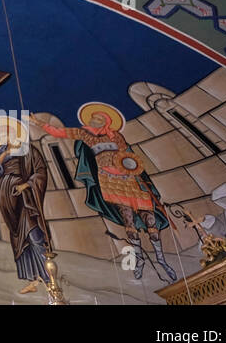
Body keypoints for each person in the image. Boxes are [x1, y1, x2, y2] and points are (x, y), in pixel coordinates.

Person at [31, 107, 176, 282]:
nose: (93, 121)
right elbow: (60, 132)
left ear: (106, 121)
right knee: (127, 220)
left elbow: (127, 154)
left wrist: (134, 167)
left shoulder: (115, 136)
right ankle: (139, 259)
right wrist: (39, 123)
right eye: (92, 118)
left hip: (130, 179)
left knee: (150, 219)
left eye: (97, 119)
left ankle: (162, 259)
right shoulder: (86, 135)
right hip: (110, 181)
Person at [0, 122, 53, 294]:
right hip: (6, 194)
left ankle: (49, 278)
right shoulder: (1, 151)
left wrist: (27, 185)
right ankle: (33, 281)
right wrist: (6, 153)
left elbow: (40, 172)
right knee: (18, 237)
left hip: (25, 195)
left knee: (33, 230)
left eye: (4, 134)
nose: (2, 138)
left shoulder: (28, 149)